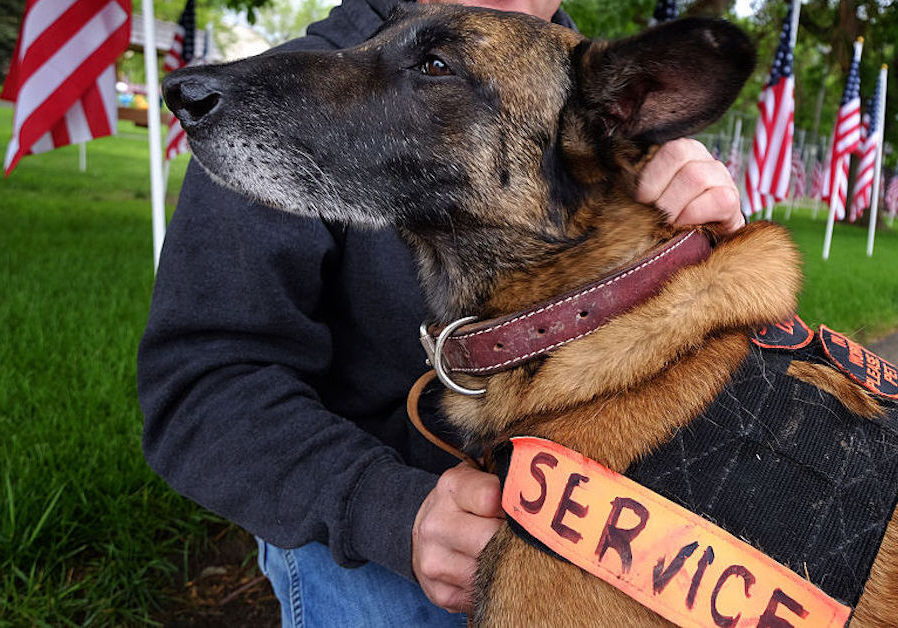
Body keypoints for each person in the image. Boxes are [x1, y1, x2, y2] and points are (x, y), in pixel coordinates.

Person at [137, 0, 744, 624]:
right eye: (431, 64)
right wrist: (390, 512)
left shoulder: (597, 106)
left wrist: (693, 245)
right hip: (353, 499)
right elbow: (202, 386)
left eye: (433, 67)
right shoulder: (293, 95)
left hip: (573, 509)